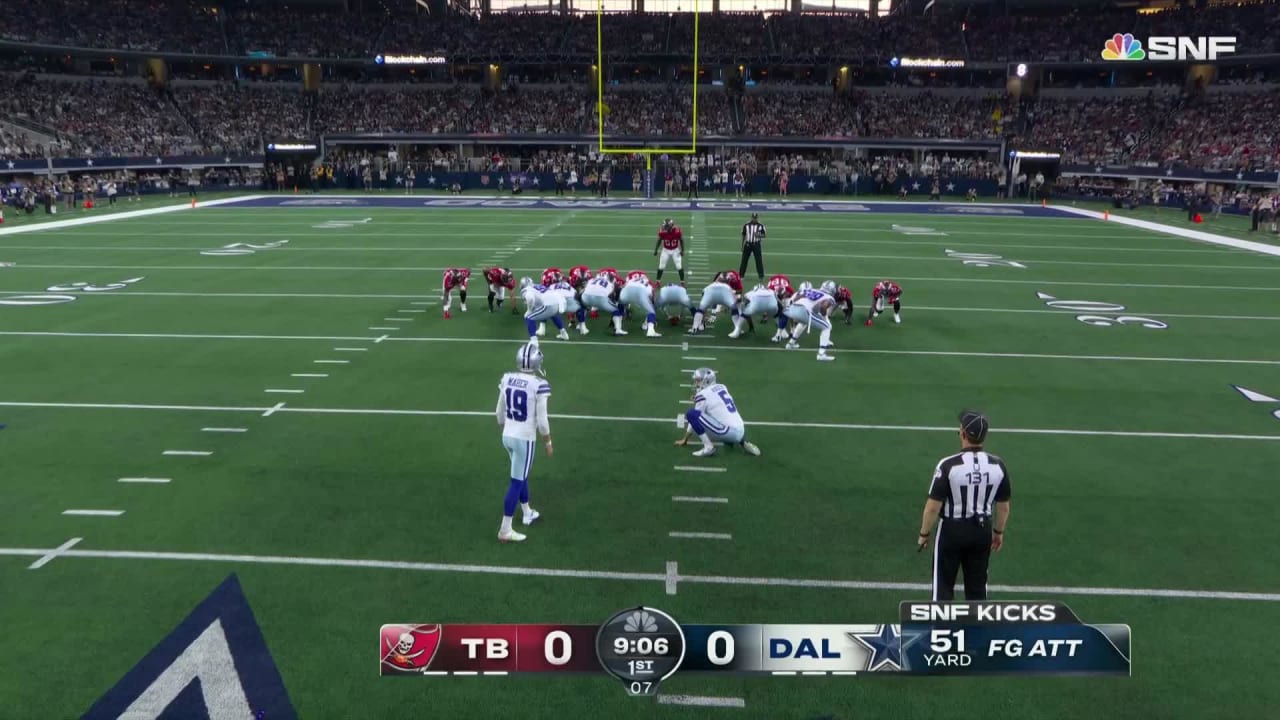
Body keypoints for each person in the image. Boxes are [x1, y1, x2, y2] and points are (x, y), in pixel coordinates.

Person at [916, 410, 1011, 600]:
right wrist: (998, 532)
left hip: (952, 530)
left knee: (942, 587)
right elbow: (1003, 506)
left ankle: (940, 627)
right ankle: (977, 628)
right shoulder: (998, 465)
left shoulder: (948, 465)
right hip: (981, 531)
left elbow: (932, 507)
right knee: (977, 589)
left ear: (963, 434)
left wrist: (924, 534)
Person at [495, 343, 552, 543]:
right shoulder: (538, 384)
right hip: (524, 438)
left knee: (521, 473)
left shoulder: (507, 378)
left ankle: (527, 512)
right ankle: (505, 529)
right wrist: (548, 441)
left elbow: (499, 412)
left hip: (507, 436)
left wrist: (506, 429)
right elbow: (542, 421)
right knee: (516, 482)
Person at [676, 368, 761, 458]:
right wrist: (698, 399)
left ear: (706, 381)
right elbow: (715, 402)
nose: (696, 383)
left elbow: (695, 417)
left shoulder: (702, 395)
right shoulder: (722, 387)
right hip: (741, 429)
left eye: (698, 380)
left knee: (691, 414)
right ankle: (743, 442)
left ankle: (708, 447)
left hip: (728, 432)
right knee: (721, 415)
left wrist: (685, 439)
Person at [783, 284, 836, 361]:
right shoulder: (830, 297)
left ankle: (791, 344)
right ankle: (821, 354)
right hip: (803, 311)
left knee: (804, 321)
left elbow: (797, 298)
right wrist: (824, 316)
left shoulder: (812, 290)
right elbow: (823, 306)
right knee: (827, 327)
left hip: (791, 309)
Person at [654, 218, 685, 282]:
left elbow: (681, 240)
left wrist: (682, 250)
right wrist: (656, 249)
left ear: (671, 226)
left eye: (667, 226)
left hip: (675, 250)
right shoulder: (662, 231)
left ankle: (682, 282)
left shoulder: (677, 231)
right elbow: (659, 240)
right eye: (665, 226)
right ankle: (658, 281)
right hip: (666, 250)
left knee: (679, 266)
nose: (665, 227)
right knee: (661, 266)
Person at [738, 212, 767, 282]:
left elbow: (764, 235)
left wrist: (758, 235)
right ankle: (741, 275)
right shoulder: (746, 225)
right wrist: (742, 245)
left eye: (755, 218)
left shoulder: (761, 226)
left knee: (758, 260)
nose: (754, 219)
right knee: (744, 260)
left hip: (756, 244)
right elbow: (743, 235)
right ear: (751, 218)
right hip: (748, 244)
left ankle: (761, 275)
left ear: (757, 218)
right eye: (753, 218)